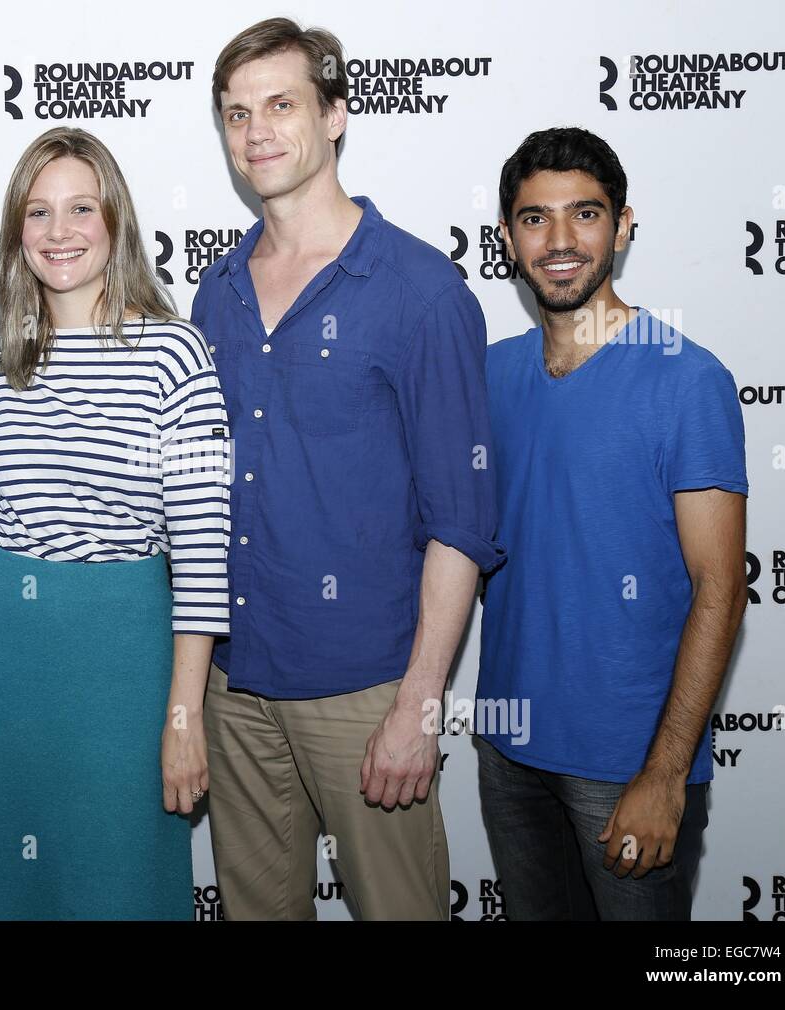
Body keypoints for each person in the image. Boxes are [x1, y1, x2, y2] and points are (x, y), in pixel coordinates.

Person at [191, 18, 503, 920]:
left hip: (368, 690)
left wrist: (419, 708)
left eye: (282, 105)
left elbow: (461, 521)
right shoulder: (217, 289)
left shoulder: (420, 290)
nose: (257, 132)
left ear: (336, 114)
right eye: (237, 113)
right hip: (234, 685)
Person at [0, 127, 230, 920]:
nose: (61, 232)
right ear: (17, 231)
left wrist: (183, 715)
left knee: (111, 874)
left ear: (114, 220)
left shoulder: (174, 353)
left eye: (81, 208)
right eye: (39, 212)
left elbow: (202, 554)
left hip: (121, 649)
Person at [475, 127, 749, 920]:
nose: (560, 241)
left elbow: (721, 588)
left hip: (628, 766)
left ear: (623, 226)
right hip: (508, 750)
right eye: (535, 219)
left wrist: (664, 776)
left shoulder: (687, 379)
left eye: (585, 215)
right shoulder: (490, 373)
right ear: (507, 239)